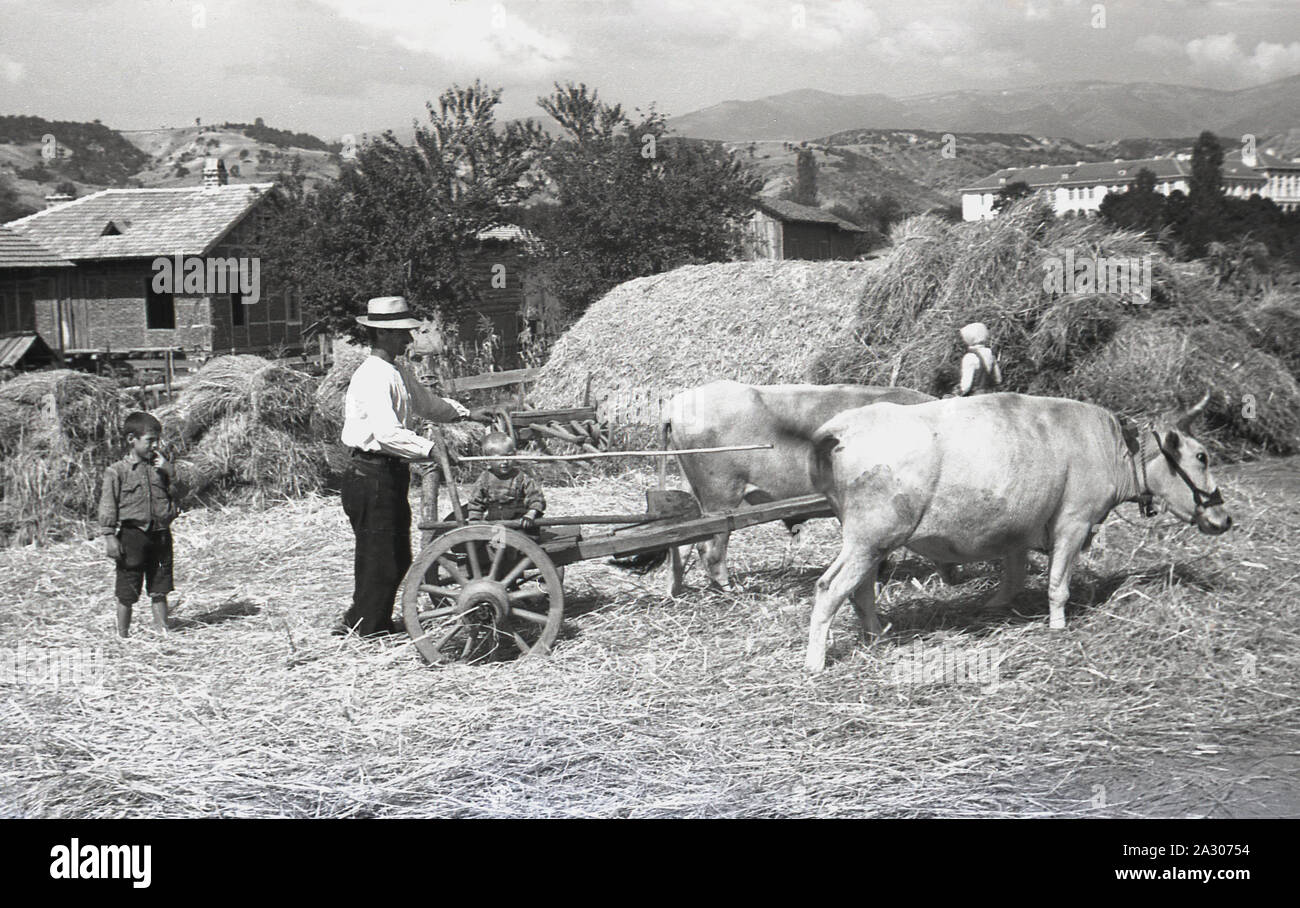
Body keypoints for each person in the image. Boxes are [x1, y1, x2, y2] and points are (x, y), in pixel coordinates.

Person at [338, 296, 468, 637]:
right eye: (401, 334)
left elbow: (428, 404)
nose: (408, 340)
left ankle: (370, 620)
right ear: (380, 334)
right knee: (379, 557)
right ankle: (364, 627)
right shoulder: (372, 376)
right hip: (369, 473)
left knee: (395, 554)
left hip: (387, 473)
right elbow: (386, 433)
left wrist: (465, 413)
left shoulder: (397, 371)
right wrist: (430, 450)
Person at [98, 411, 182, 637]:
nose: (154, 446)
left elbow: (180, 492)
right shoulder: (117, 472)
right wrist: (109, 536)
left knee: (160, 587)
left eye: (157, 440)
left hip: (160, 534)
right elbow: (108, 506)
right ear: (131, 440)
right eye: (149, 441)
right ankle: (122, 636)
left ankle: (163, 632)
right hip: (133, 537)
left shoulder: (160, 467)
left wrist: (170, 471)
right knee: (127, 589)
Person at [466, 432, 546, 531]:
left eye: (509, 456)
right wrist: (475, 521)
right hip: (495, 524)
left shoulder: (522, 477)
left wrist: (531, 513)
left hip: (521, 524)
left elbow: (536, 498)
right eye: (499, 458)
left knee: (523, 538)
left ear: (515, 454)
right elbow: (475, 503)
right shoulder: (484, 479)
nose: (505, 461)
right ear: (487, 459)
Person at [957, 322, 1003, 396]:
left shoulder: (969, 357)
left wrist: (960, 393)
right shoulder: (990, 353)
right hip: (992, 394)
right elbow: (998, 379)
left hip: (976, 397)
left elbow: (966, 386)